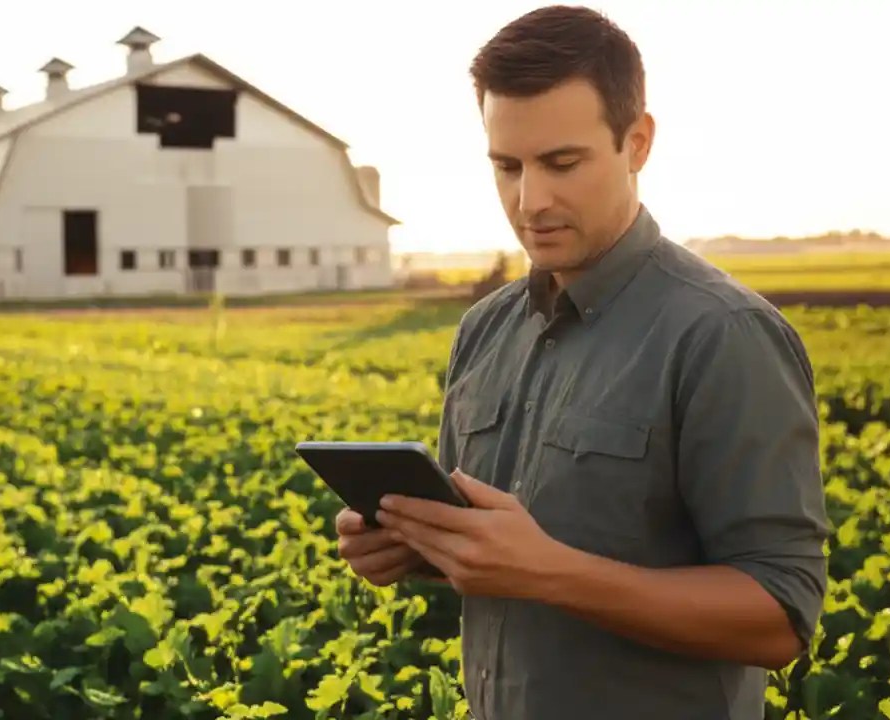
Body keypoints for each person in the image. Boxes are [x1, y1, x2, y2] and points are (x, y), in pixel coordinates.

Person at [335, 5, 830, 719]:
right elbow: (503, 551)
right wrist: (418, 549)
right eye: (507, 167)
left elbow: (780, 617)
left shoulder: (723, 335)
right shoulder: (486, 329)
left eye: (562, 163)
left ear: (638, 143)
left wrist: (552, 574)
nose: (530, 201)